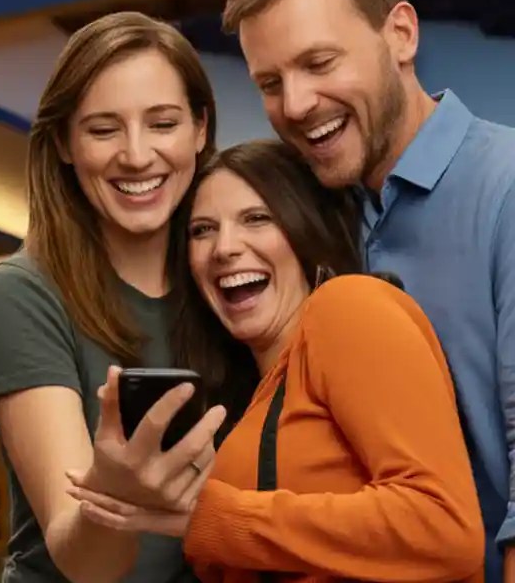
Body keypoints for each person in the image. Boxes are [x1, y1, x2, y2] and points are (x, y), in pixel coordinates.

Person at [221, 0, 515, 582]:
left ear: (401, 34)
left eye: (320, 63)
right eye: (270, 82)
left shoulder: (506, 187)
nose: (297, 103)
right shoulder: (322, 219)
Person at [70, 139, 486, 581]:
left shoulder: (347, 306)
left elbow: (443, 527)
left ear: (305, 229)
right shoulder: (247, 403)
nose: (224, 247)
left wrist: (210, 516)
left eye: (256, 218)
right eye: (202, 230)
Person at [0, 11, 255, 583]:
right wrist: (120, 492)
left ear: (200, 128)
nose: (136, 154)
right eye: (104, 130)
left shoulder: (231, 275)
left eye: (163, 123)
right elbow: (85, 563)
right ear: (64, 142)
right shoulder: (22, 292)